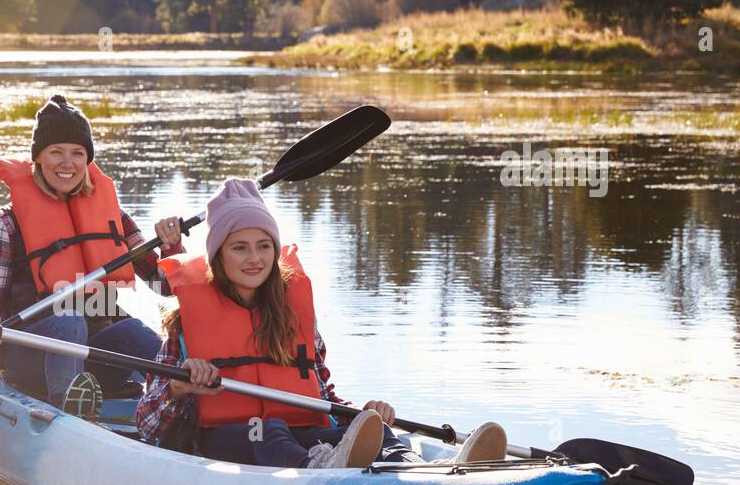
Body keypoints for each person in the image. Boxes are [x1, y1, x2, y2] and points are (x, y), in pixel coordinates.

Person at [136, 178, 508, 469]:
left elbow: (323, 396)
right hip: (228, 440)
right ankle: (325, 470)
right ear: (218, 257)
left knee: (364, 426)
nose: (254, 258)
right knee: (268, 430)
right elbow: (147, 423)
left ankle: (425, 469)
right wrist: (179, 389)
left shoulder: (294, 316)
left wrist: (364, 415)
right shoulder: (187, 324)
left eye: (264, 246)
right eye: (239, 247)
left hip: (304, 433)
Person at [0, 94, 186, 416]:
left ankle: (187, 401)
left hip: (97, 360)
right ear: (38, 159)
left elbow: (163, 286)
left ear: (88, 160)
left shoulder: (114, 218)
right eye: (55, 152)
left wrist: (171, 248)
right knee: (68, 322)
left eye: (77, 153)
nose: (67, 163)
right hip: (31, 356)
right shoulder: (6, 223)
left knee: (131, 329)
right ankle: (67, 412)